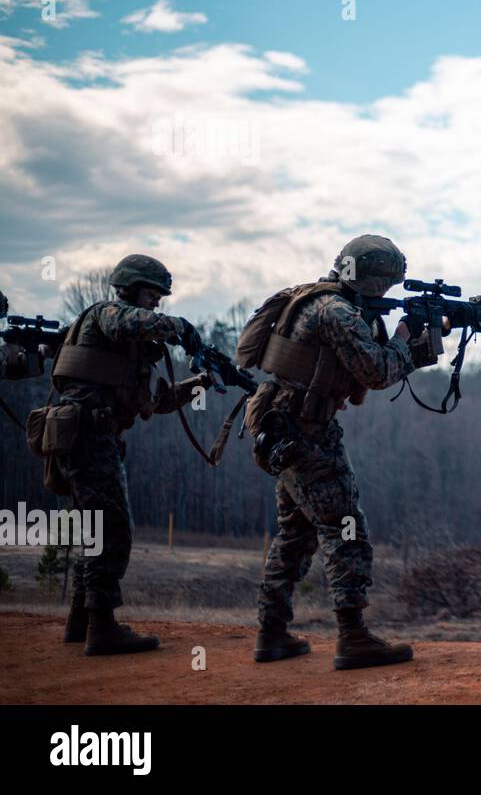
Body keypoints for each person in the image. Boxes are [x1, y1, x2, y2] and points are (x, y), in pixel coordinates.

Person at [245, 235, 440, 669]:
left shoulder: (314, 299)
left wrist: (423, 339)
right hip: (305, 433)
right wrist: (408, 339)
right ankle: (353, 637)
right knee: (345, 528)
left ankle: (271, 633)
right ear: (371, 280)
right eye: (386, 285)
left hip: (287, 427)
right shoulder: (337, 311)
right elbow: (377, 372)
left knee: (296, 533)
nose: (388, 293)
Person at [48, 255, 208, 655]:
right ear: (131, 289)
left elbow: (158, 400)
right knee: (112, 529)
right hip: (88, 433)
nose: (156, 304)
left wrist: (202, 382)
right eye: (152, 295)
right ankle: (102, 629)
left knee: (97, 529)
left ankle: (80, 622)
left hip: (93, 437)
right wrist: (179, 328)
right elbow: (129, 321)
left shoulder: (126, 354)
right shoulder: (106, 315)